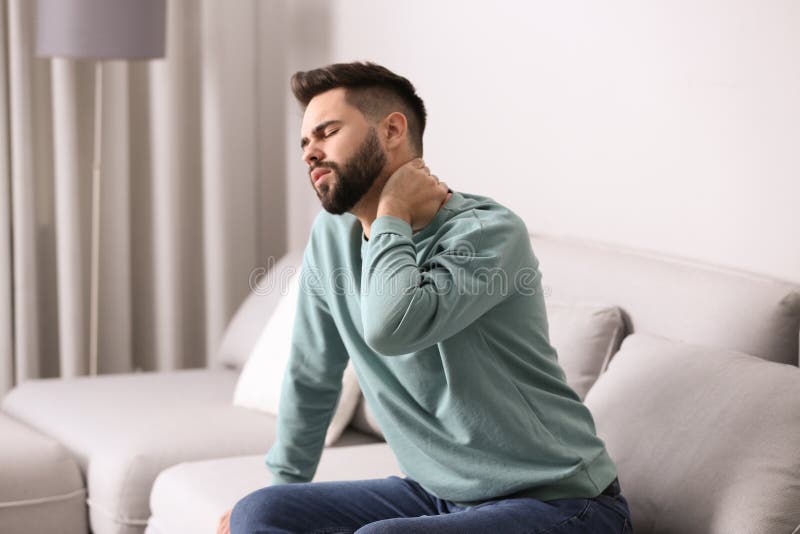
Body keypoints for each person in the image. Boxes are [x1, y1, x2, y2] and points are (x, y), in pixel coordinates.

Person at [218, 61, 633, 534]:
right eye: (305, 143)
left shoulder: (486, 232)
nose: (310, 153)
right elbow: (313, 371)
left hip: (561, 502)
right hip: (440, 496)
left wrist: (391, 210)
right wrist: (282, 486)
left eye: (327, 132)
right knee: (261, 512)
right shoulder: (330, 238)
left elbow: (391, 326)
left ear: (393, 129)